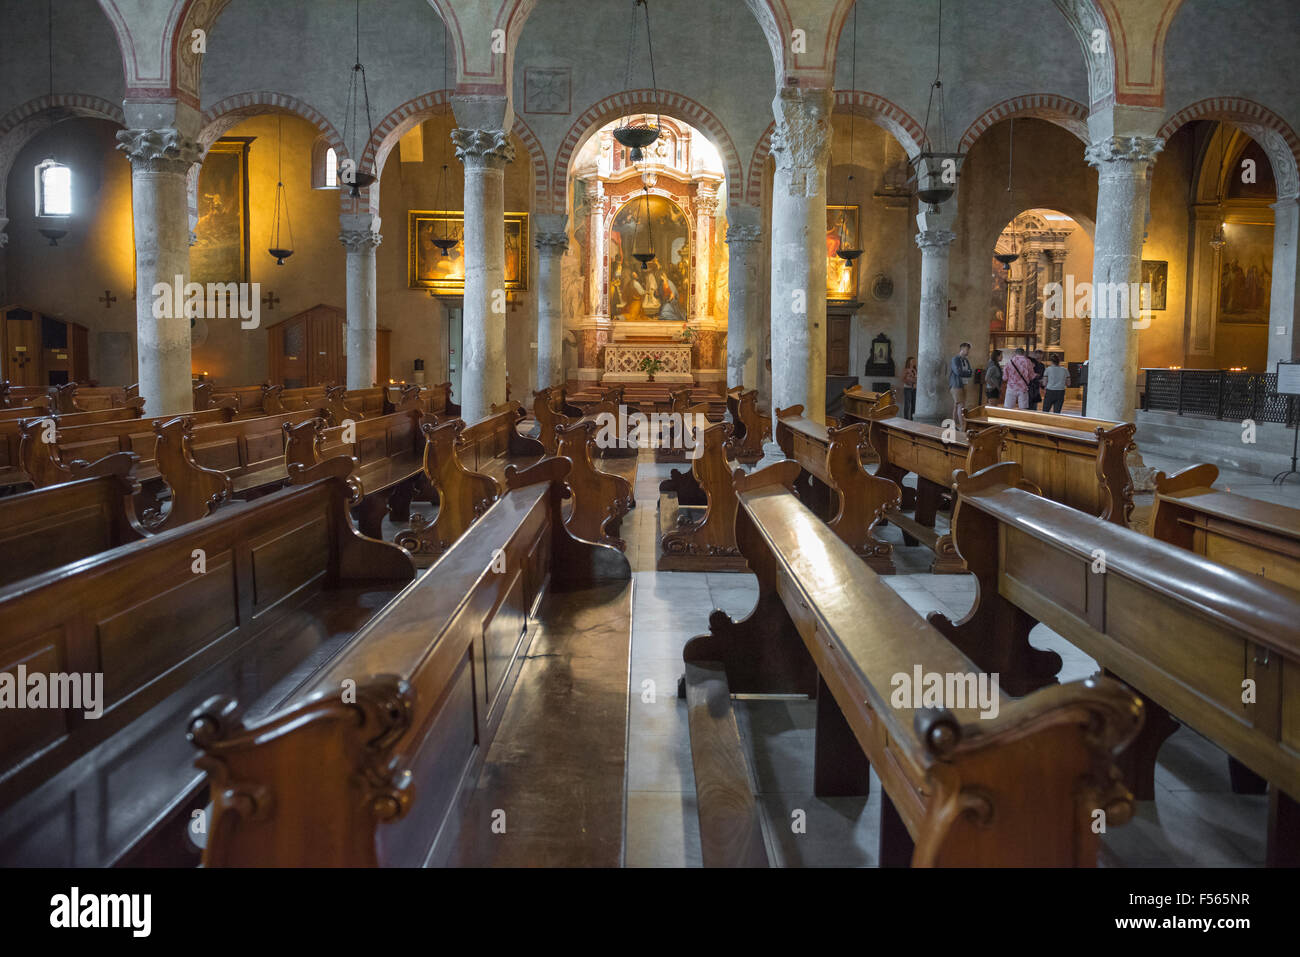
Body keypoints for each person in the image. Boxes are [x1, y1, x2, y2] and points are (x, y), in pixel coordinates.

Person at [948, 342, 973, 426]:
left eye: (969, 349)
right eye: (967, 349)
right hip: (956, 384)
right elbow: (958, 372)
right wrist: (966, 372)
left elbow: (971, 372)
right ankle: (963, 426)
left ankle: (953, 424)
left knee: (957, 405)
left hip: (964, 384)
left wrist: (966, 372)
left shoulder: (966, 360)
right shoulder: (955, 359)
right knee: (960, 405)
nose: (968, 351)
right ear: (962, 349)